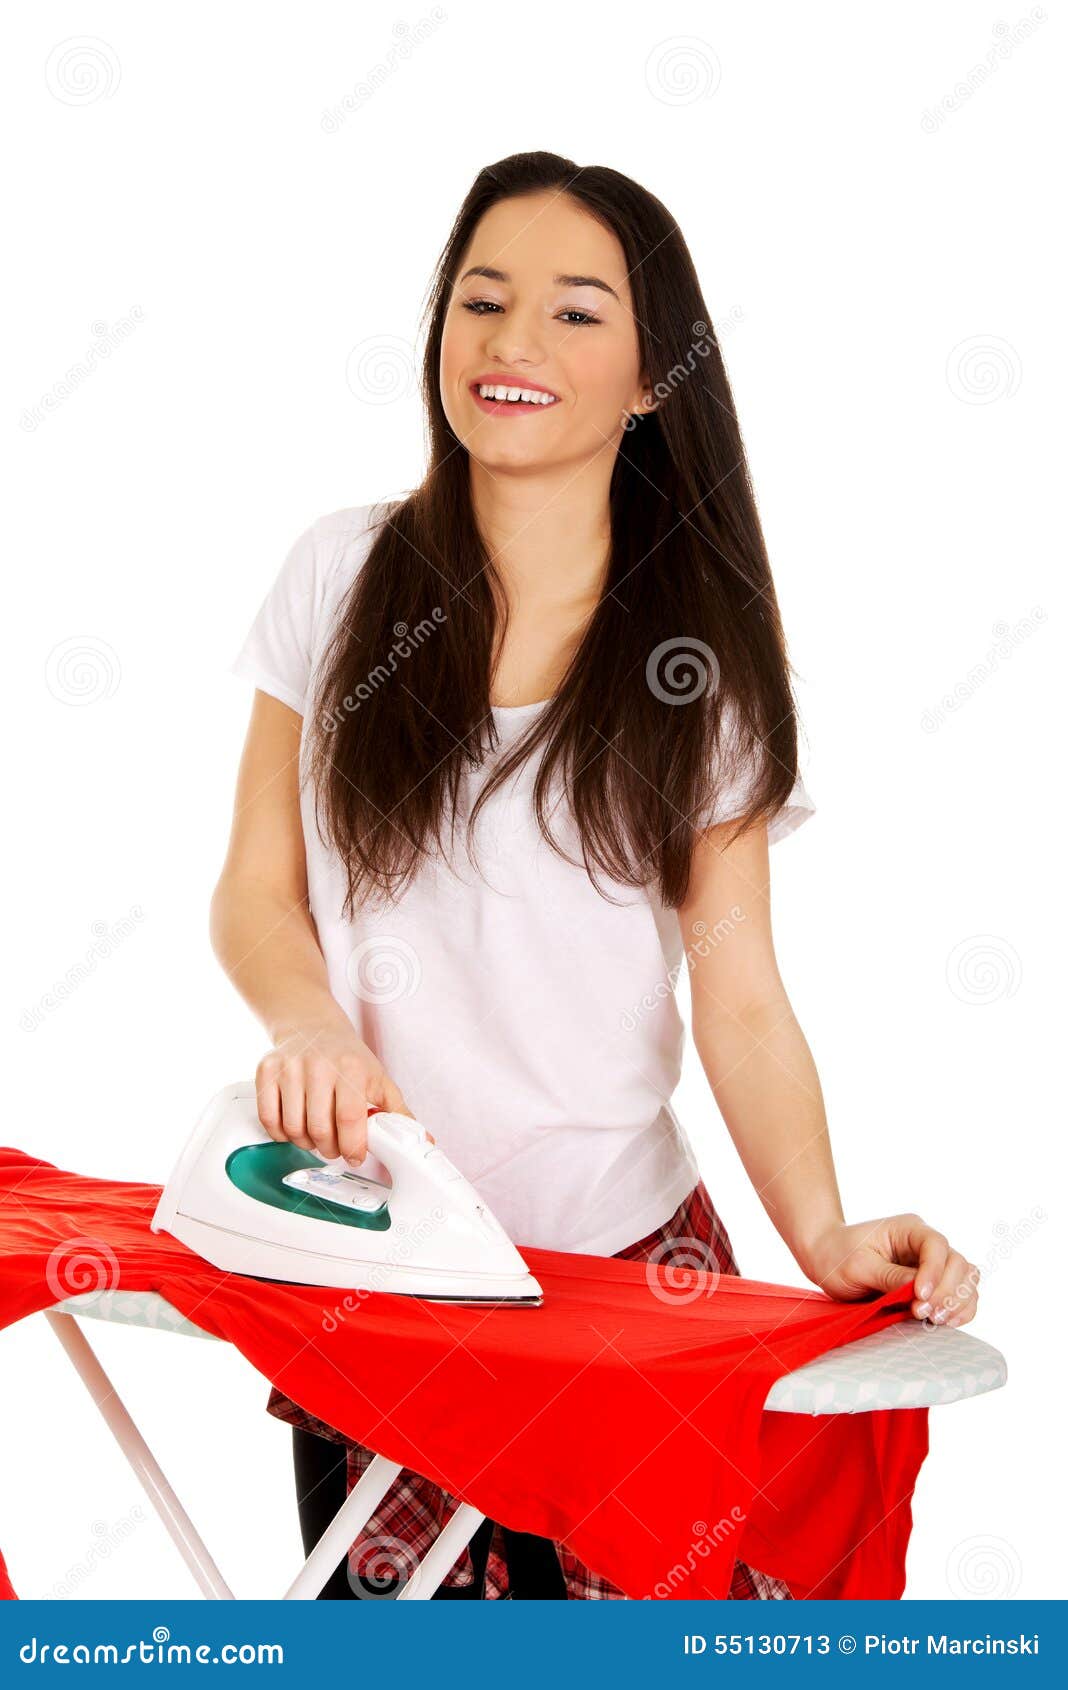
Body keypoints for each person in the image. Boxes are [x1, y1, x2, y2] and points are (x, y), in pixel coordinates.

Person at [210, 151, 980, 1600]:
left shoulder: (702, 666)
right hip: (381, 1272)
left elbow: (740, 993)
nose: (511, 343)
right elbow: (258, 891)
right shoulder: (337, 575)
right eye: (481, 299)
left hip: (632, 1277)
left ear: (649, 376)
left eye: (575, 313)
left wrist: (821, 1229)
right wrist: (309, 1025)